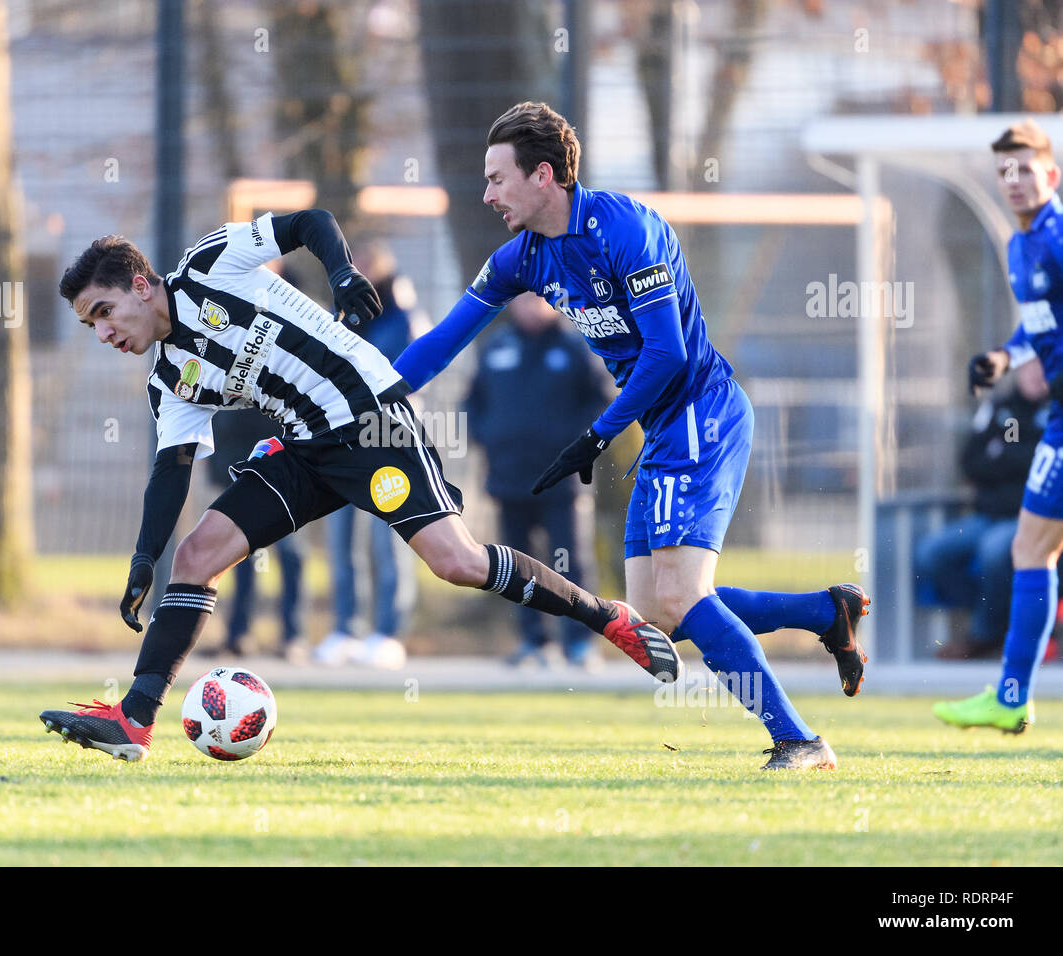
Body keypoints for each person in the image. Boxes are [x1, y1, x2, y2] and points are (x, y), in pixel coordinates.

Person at [39, 209, 678, 762]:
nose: (103, 333)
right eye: (90, 324)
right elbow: (170, 468)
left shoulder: (211, 262)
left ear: (142, 284)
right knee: (195, 556)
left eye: (104, 311)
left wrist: (343, 272)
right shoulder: (170, 378)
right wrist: (144, 559)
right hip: (304, 446)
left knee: (457, 563)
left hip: (371, 421)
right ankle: (134, 720)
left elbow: (308, 223)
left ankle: (607, 618)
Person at [394, 102, 870, 770]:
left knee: (680, 595)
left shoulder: (626, 229)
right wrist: (366, 396)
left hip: (702, 413)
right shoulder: (522, 258)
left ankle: (800, 741)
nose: (487, 194)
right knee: (657, 615)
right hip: (665, 427)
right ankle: (825, 613)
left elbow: (668, 354)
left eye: (498, 178)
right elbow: (442, 342)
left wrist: (595, 438)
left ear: (544, 176)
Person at [936, 118, 1063, 733]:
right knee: (1030, 548)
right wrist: (1006, 357)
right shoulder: (1021, 244)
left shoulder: (1060, 237)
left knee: (1031, 548)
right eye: (1005, 171)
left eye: (1025, 169)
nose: (1014, 181)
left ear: (1052, 174)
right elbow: (1038, 321)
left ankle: (1013, 695)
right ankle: (1011, 697)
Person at [465, 292, 611, 669]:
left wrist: (577, 442)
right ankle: (533, 640)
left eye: (537, 300)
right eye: (523, 300)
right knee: (516, 566)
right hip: (508, 476)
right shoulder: (496, 346)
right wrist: (487, 435)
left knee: (569, 562)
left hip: (561, 480)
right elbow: (472, 402)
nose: (530, 307)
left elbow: (603, 401)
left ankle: (579, 643)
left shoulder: (575, 347)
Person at [314, 243, 419, 669]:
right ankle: (346, 628)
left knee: (389, 539)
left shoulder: (403, 316)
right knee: (342, 542)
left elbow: (398, 374)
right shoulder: (337, 315)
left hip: (388, 440)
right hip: (342, 440)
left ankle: (389, 632)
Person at [916, 359, 1049, 659]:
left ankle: (984, 633)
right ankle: (989, 618)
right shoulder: (999, 407)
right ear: (1019, 369)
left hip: (1029, 519)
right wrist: (1018, 458)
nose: (1035, 375)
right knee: (931, 553)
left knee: (993, 552)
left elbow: (1039, 464)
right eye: (1029, 367)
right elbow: (971, 462)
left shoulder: (1055, 410)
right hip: (985, 516)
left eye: (1042, 368)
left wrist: (1003, 454)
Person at [204, 408, 305, 661]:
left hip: (281, 469)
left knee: (290, 554)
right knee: (240, 558)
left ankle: (292, 637)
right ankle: (238, 635)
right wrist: (219, 466)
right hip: (237, 466)